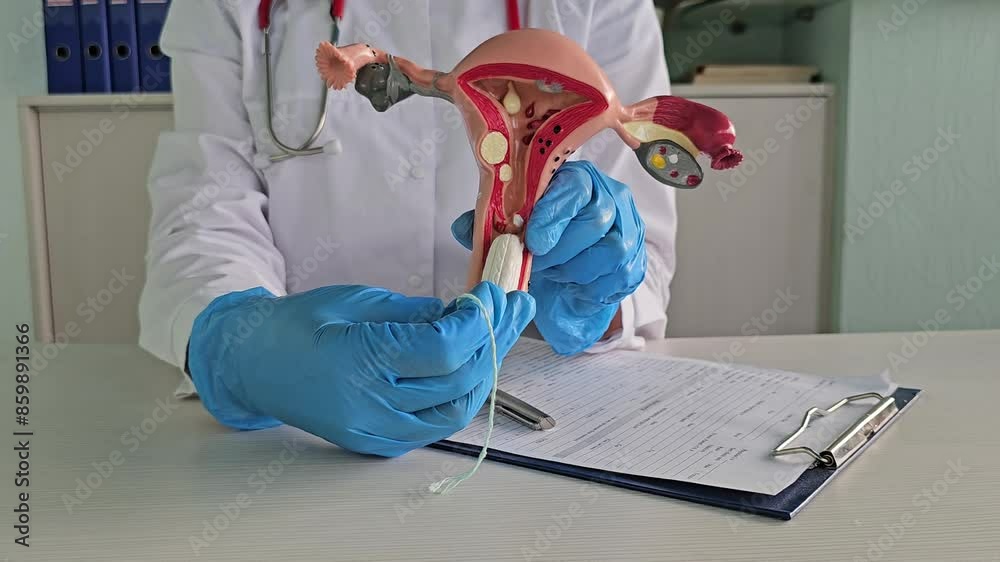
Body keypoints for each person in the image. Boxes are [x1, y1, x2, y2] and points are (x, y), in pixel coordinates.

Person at [138, 0, 676, 457]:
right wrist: (241, 348)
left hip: (545, 431)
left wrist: (597, 296)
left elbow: (642, 248)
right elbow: (207, 209)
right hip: (307, 445)